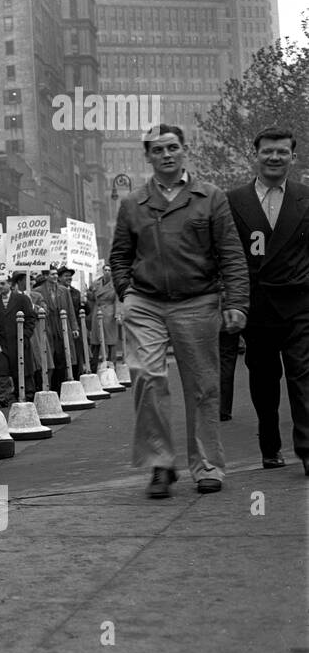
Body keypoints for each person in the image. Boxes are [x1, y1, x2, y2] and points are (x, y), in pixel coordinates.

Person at [109, 124, 248, 498]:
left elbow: (231, 254)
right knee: (147, 378)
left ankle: (207, 466)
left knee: (203, 386)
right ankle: (159, 465)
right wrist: (127, 293)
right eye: (158, 150)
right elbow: (119, 256)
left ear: (185, 150)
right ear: (148, 157)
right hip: (147, 303)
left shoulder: (211, 198)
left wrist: (236, 302)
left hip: (198, 300)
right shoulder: (133, 204)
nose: (166, 155)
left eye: (172, 148)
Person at [226, 127, 309, 476]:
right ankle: (270, 445)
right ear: (255, 155)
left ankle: (306, 449)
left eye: (282, 152)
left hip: (299, 303)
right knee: (263, 380)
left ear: (293, 156)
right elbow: (228, 255)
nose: (275, 158)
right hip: (257, 306)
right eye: (268, 152)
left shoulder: (306, 197)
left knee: (303, 377)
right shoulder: (234, 200)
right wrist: (232, 300)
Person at [0, 272, 37, 406]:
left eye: (2, 283)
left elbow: (30, 318)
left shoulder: (22, 299)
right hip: (3, 342)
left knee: (23, 369)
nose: (0, 286)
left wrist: (26, 334)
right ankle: (6, 397)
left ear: (10, 284)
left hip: (20, 340)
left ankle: (27, 395)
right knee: (3, 370)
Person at [89, 263, 121, 367]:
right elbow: (92, 298)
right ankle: (93, 366)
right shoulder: (96, 283)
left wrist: (118, 314)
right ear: (102, 271)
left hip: (109, 314)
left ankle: (112, 367)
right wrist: (86, 293)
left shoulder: (116, 284)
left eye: (109, 270)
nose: (107, 272)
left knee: (111, 342)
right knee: (96, 342)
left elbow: (118, 300)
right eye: (105, 270)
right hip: (97, 313)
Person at [57, 267, 87, 375]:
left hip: (75, 328)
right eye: (66, 276)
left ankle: (77, 376)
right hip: (62, 327)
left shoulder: (76, 292)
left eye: (70, 276)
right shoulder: (57, 292)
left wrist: (84, 303)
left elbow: (83, 311)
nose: (69, 278)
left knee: (77, 354)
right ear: (59, 278)